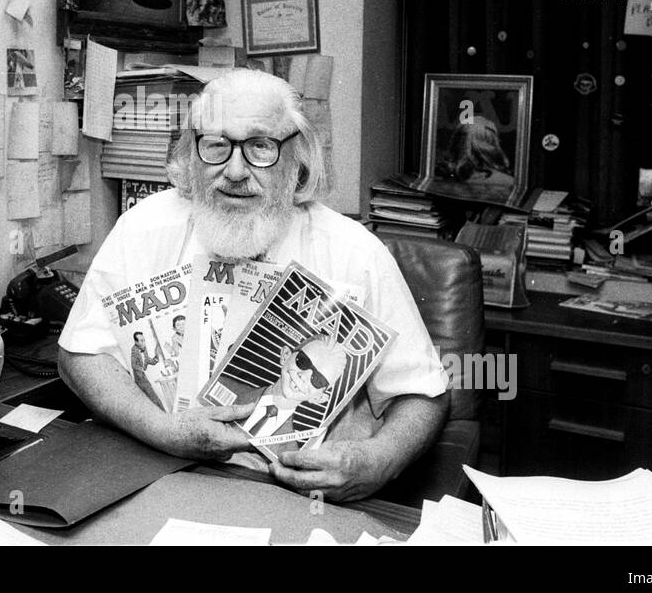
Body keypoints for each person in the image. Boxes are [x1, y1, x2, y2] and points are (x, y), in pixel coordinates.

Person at [59, 68, 449, 502]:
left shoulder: (356, 254)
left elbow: (423, 395)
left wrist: (379, 460)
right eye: (216, 145)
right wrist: (165, 431)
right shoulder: (142, 229)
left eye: (261, 146)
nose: (235, 171)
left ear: (298, 158)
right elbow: (80, 354)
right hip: (157, 471)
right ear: (192, 152)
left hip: (296, 499)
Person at [234, 336, 349, 440]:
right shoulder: (227, 387)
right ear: (285, 355)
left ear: (319, 398)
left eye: (318, 380)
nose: (303, 376)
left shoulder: (289, 451)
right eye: (303, 361)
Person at [129, 330, 162, 411]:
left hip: (144, 378)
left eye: (144, 340)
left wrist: (156, 356)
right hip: (140, 379)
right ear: (136, 342)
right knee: (153, 399)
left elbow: (147, 360)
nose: (144, 342)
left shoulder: (144, 348)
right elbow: (133, 365)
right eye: (141, 341)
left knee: (154, 399)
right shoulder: (134, 351)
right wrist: (142, 370)